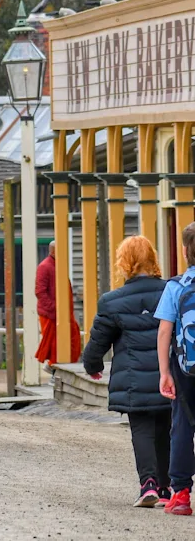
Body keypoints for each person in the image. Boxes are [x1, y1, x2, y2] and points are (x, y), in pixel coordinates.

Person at [83, 235, 170, 508]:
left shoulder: (113, 301)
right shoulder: (171, 292)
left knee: (141, 429)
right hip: (168, 376)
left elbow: (99, 341)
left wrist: (93, 365)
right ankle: (167, 487)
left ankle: (148, 484)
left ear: (124, 262)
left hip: (133, 379)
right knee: (166, 429)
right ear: (152, 259)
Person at [156, 221, 195, 516]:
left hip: (185, 368)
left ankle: (180, 495)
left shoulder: (175, 286)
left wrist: (164, 373)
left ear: (184, 251)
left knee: (182, 425)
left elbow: (164, 332)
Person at [34, 240, 83, 368]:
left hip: (64, 314)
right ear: (53, 252)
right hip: (51, 315)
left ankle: (62, 368)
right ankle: (53, 368)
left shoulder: (58, 265)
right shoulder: (45, 266)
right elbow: (40, 292)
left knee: (72, 340)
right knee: (55, 346)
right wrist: (55, 309)